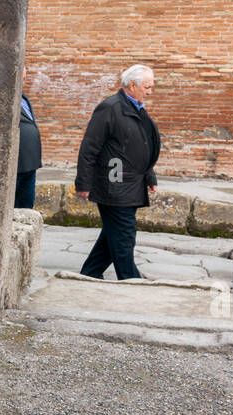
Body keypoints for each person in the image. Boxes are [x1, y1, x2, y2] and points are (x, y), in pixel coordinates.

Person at [75, 64, 161, 280]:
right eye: (147, 87)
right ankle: (130, 278)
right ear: (132, 85)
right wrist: (83, 183)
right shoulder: (110, 108)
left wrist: (149, 175)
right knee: (124, 234)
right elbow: (89, 147)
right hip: (114, 182)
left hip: (132, 181)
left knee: (113, 233)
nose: (150, 92)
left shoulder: (137, 107)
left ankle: (90, 272)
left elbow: (144, 145)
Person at [16, 66, 42, 208]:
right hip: (17, 164)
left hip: (30, 163)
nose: (23, 82)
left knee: (26, 206)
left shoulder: (23, 98)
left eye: (25, 78)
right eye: (21, 77)